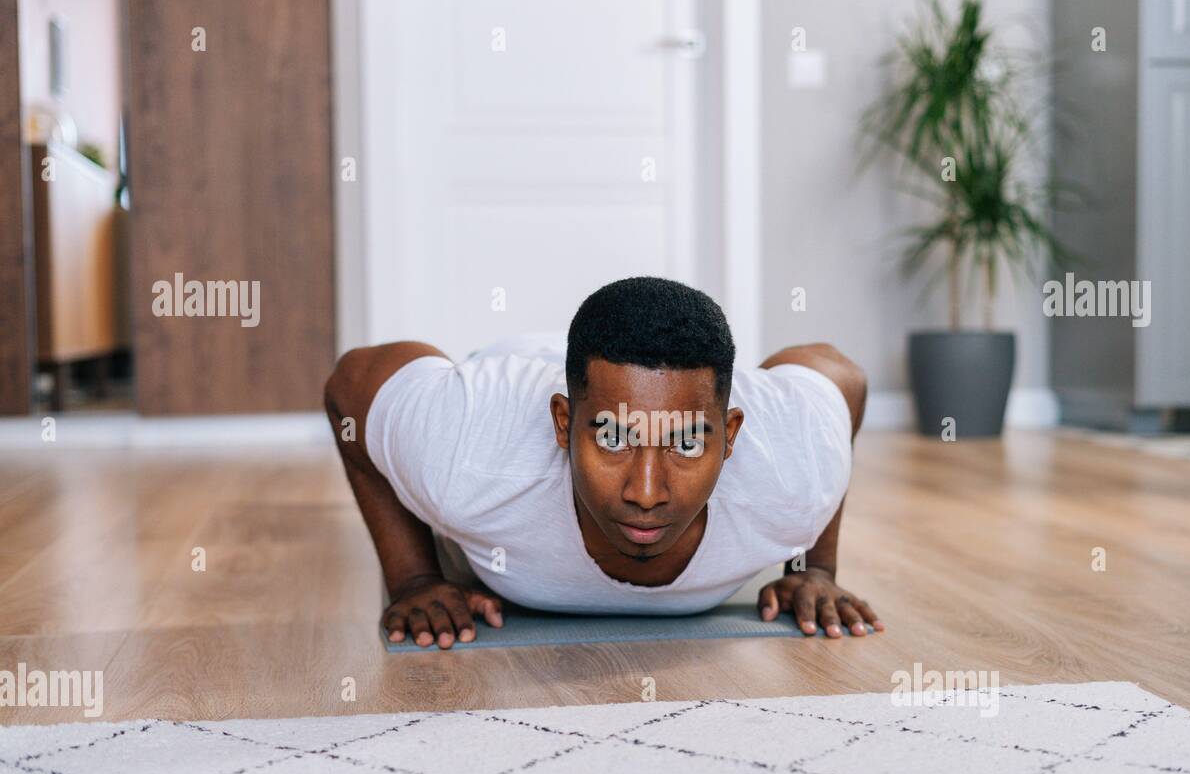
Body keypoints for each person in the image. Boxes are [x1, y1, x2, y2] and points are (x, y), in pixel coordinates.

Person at [324, 276, 883, 649]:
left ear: (731, 434)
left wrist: (814, 568)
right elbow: (353, 381)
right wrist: (415, 579)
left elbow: (840, 376)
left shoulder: (796, 464)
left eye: (686, 443)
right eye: (614, 438)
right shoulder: (466, 447)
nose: (646, 493)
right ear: (564, 426)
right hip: (508, 366)